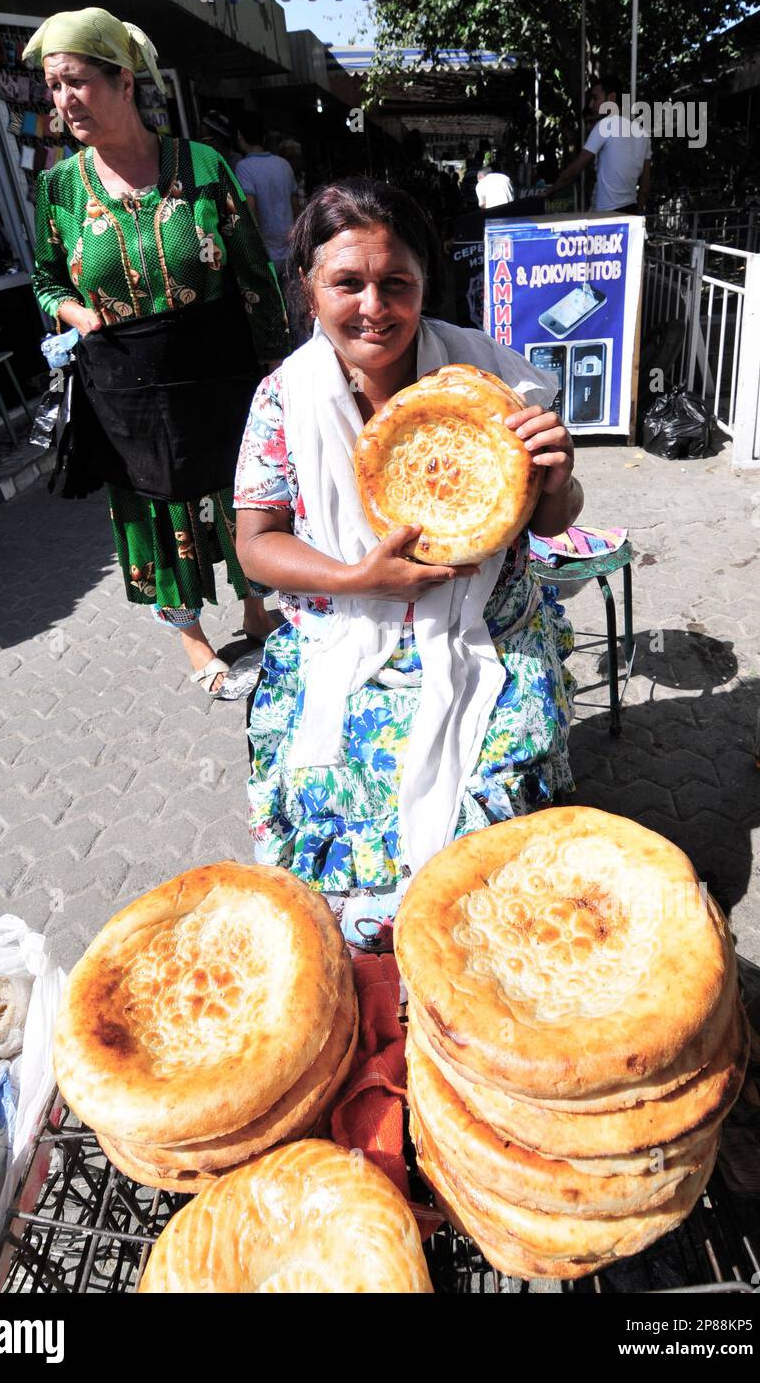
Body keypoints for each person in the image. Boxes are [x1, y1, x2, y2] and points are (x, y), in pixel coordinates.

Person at [234, 179, 579, 953]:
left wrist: (557, 478)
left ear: (425, 284)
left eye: (398, 284)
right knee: (331, 796)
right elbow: (256, 543)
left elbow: (552, 522)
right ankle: (380, 953)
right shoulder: (284, 400)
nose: (374, 308)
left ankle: (468, 939)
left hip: (484, 626)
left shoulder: (498, 382)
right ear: (308, 287)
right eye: (346, 282)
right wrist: (361, 580)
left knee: (486, 829)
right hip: (346, 630)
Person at [26, 10, 289, 699]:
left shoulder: (200, 166)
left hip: (215, 365)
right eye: (54, 87)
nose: (64, 101)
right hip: (124, 378)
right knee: (155, 509)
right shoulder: (58, 188)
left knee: (240, 495)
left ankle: (259, 608)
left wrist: (277, 373)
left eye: (77, 82)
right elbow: (45, 277)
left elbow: (254, 276)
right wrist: (76, 314)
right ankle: (194, 640)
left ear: (123, 81)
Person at [544, 75, 651, 214]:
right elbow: (645, 187)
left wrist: (550, 191)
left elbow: (575, 169)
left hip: (605, 215)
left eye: (595, 98)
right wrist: (639, 213)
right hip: (631, 211)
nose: (591, 105)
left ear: (611, 98)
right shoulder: (643, 133)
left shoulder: (605, 124)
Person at [235, 113, 300, 272]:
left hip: (267, 254)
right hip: (290, 251)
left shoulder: (244, 167)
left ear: (241, 137)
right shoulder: (283, 164)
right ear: (263, 137)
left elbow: (250, 212)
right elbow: (296, 208)